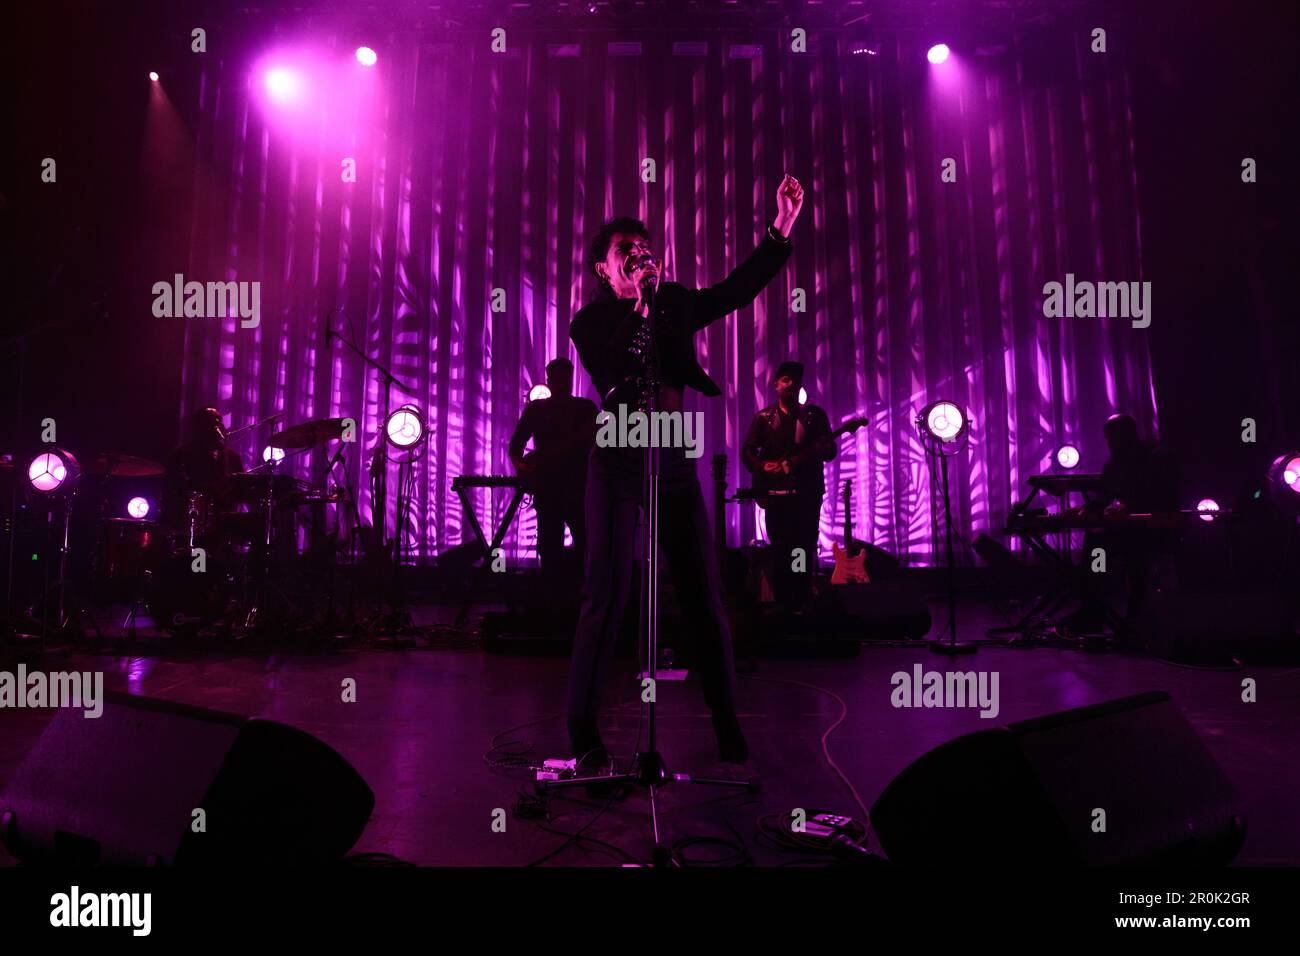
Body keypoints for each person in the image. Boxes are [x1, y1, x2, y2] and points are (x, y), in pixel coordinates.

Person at [565, 174, 805, 769]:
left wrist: (781, 228)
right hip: (619, 454)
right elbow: (613, 364)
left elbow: (736, 291)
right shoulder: (590, 322)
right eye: (627, 251)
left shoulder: (673, 301)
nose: (640, 256)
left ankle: (727, 725)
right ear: (605, 268)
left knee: (704, 592)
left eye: (645, 248)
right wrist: (640, 305)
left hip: (670, 450)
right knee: (609, 592)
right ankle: (584, 735)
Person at [741, 360, 837, 612]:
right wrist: (763, 467)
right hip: (776, 495)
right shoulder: (764, 418)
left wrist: (823, 447)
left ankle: (800, 597)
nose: (790, 384)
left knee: (803, 546)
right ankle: (784, 600)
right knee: (781, 547)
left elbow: (830, 452)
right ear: (776, 385)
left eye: (795, 380)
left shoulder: (814, 417)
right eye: (785, 379)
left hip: (806, 495)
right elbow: (747, 451)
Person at [1075, 413, 1181, 637]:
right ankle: (1094, 612)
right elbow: (1105, 494)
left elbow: (1163, 496)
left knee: (1135, 559)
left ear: (1127, 434)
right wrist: (1090, 508)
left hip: (1151, 530)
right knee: (1096, 547)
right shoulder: (1114, 462)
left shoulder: (1155, 456)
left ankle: (1135, 616)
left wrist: (1130, 507)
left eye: (1112, 437)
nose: (1109, 443)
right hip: (1126, 531)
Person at [508, 357, 598, 577]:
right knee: (579, 544)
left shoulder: (539, 409)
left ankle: (554, 597)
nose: (560, 385)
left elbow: (515, 446)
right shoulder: (584, 408)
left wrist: (524, 468)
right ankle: (578, 596)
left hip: (560, 487)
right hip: (572, 486)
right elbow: (516, 446)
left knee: (555, 546)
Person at [162, 406, 243, 542]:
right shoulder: (182, 454)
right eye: (211, 420)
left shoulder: (232, 456)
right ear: (198, 426)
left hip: (223, 522)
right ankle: (198, 562)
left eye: (219, 420)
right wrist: (209, 488)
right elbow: (174, 487)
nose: (217, 424)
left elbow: (241, 486)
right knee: (199, 560)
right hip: (191, 520)